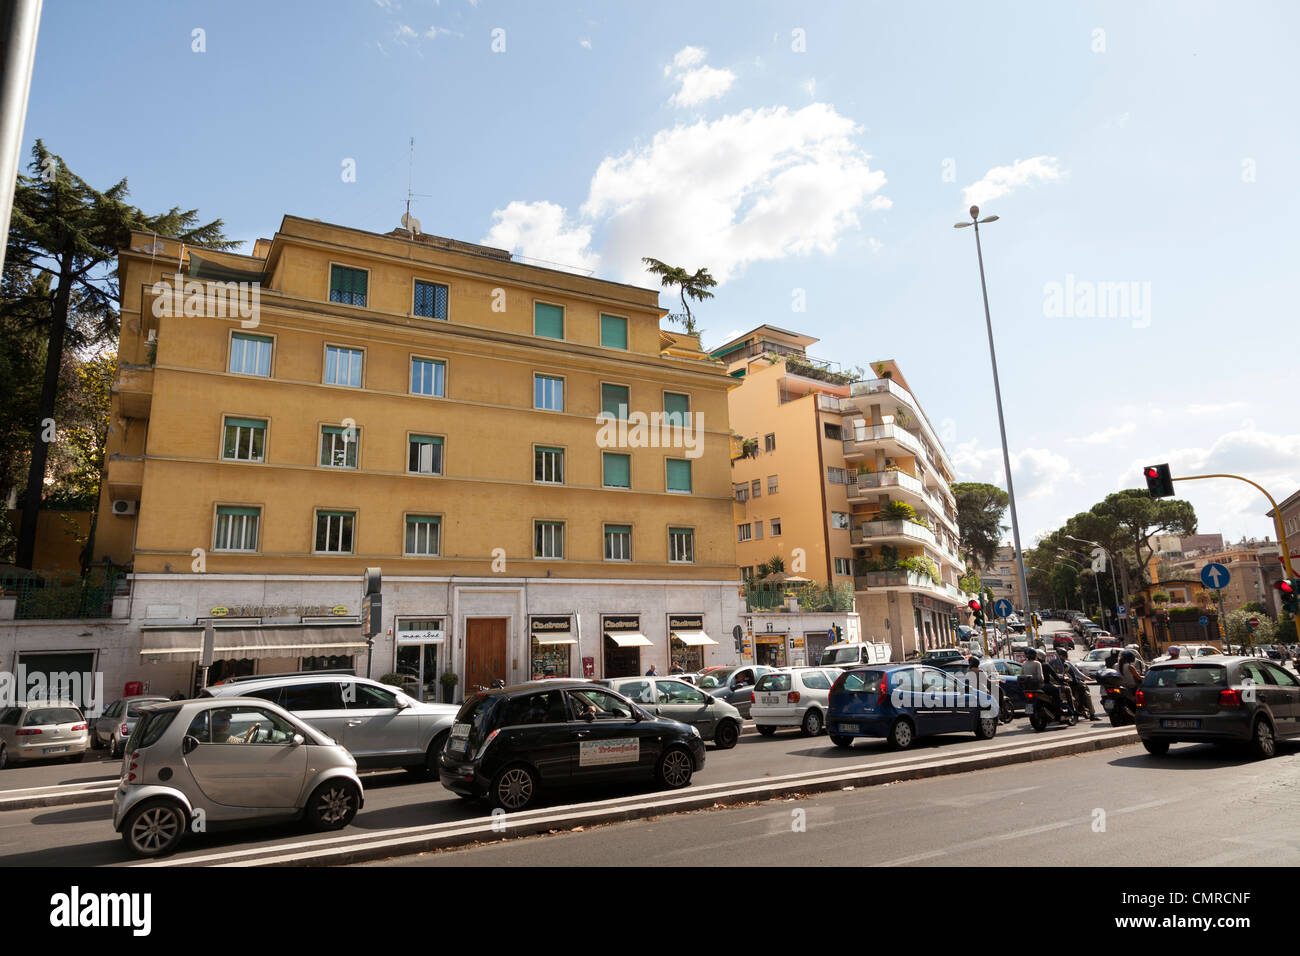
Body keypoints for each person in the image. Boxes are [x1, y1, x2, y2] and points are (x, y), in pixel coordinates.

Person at [1056, 647, 1098, 720]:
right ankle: (1092, 714)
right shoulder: (1066, 663)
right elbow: (1078, 673)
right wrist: (1087, 678)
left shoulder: (1053, 664)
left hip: (1061, 684)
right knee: (1086, 693)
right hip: (1071, 684)